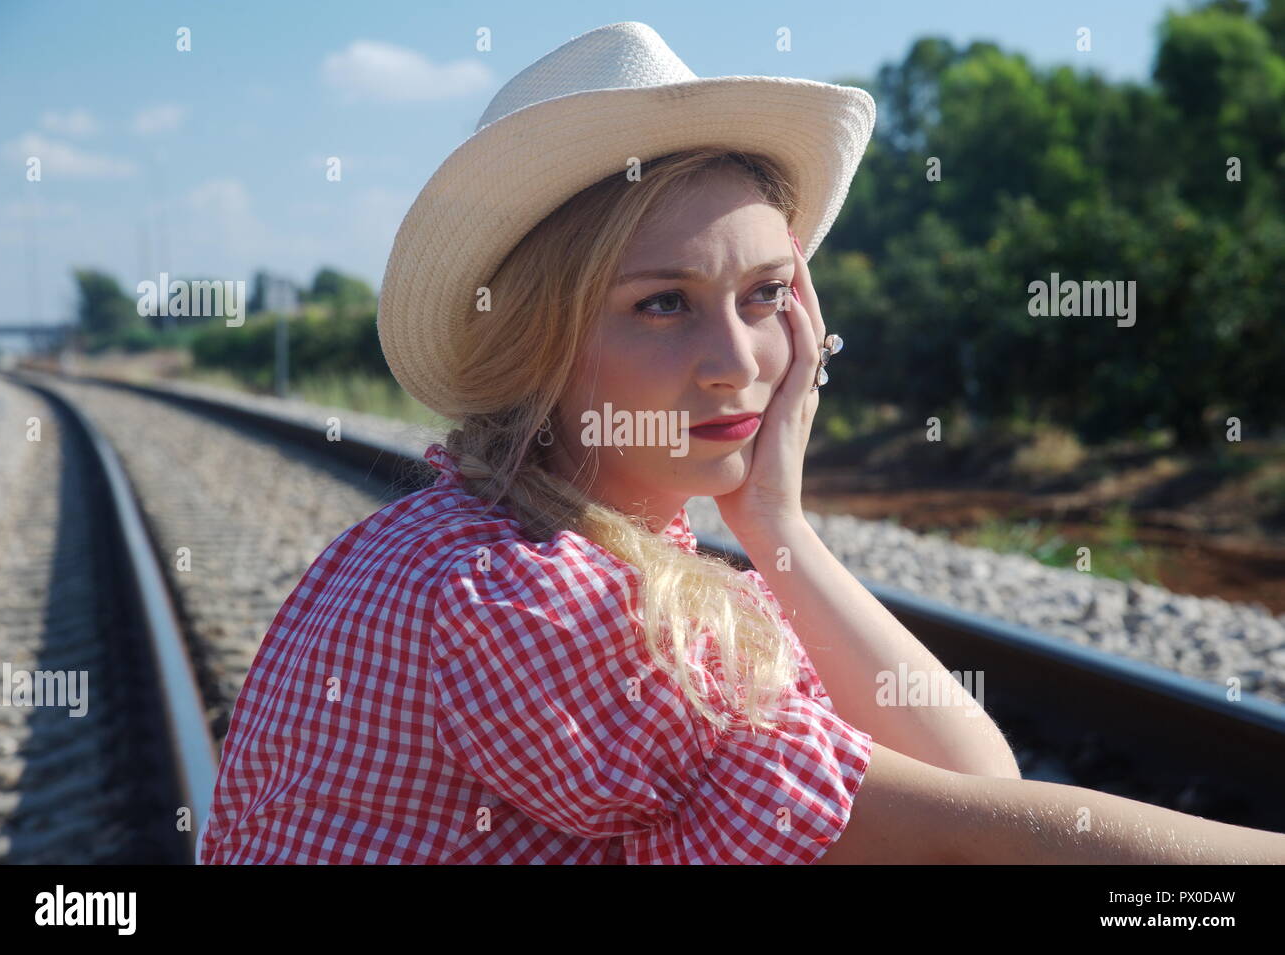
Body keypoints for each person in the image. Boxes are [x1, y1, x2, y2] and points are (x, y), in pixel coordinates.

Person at [198, 21, 1285, 864]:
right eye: (663, 305)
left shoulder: (540, 540)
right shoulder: (523, 595)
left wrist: (776, 529)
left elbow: (970, 770)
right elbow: (973, 836)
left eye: (766, 294)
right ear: (539, 343)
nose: (736, 361)